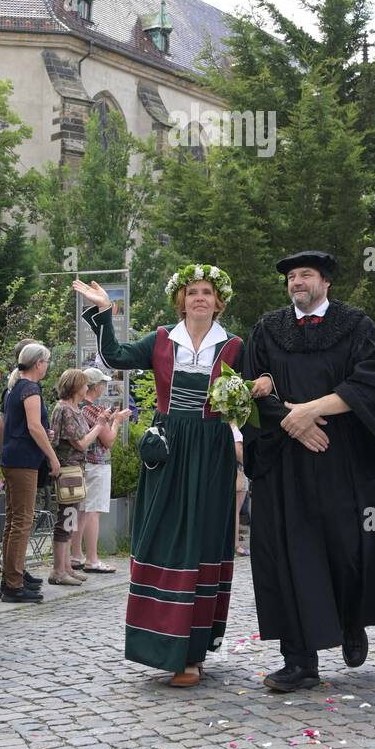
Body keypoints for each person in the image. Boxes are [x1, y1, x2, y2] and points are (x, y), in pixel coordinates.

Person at [240, 251, 375, 693]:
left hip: (343, 457)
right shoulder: (268, 329)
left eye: (305, 275)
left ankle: (351, 622)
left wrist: (311, 411)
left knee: (349, 547)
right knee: (289, 555)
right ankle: (299, 660)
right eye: (290, 276)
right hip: (285, 460)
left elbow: (371, 383)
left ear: (326, 282)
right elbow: (249, 387)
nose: (296, 282)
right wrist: (293, 422)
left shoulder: (356, 325)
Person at [75, 263, 243, 687]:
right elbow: (115, 356)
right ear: (181, 299)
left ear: (218, 301)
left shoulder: (236, 345)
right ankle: (166, 645)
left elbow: (263, 384)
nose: (199, 298)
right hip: (169, 449)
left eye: (206, 291)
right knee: (165, 538)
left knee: (203, 539)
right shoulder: (164, 340)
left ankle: (193, 652)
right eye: (192, 292)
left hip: (212, 449)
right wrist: (104, 312)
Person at [0, 342, 59, 602]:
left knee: (13, 521)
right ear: (39, 364)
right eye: (46, 362)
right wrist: (53, 457)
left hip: (12, 457)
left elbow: (19, 425)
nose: (47, 366)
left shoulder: (15, 387)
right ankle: (13, 583)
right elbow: (34, 427)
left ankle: (11, 576)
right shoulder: (31, 388)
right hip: (24, 460)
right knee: (23, 521)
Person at [66, 368, 131, 576]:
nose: (105, 386)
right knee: (93, 510)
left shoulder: (78, 407)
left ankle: (76, 555)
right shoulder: (93, 409)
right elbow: (108, 439)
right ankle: (92, 559)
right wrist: (118, 421)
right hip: (97, 463)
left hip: (82, 463)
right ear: (96, 386)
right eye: (103, 383)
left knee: (81, 511)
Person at [48, 367, 109, 585]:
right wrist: (99, 426)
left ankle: (66, 567)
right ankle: (59, 570)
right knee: (65, 518)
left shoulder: (71, 409)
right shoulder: (65, 410)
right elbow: (82, 443)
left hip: (76, 469)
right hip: (69, 468)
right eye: (84, 384)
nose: (87, 388)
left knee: (71, 517)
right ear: (75, 387)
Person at [233, 425, 249, 555]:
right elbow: (238, 450)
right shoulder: (235, 428)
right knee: (235, 511)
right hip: (238, 472)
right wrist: (251, 465)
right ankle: (236, 545)